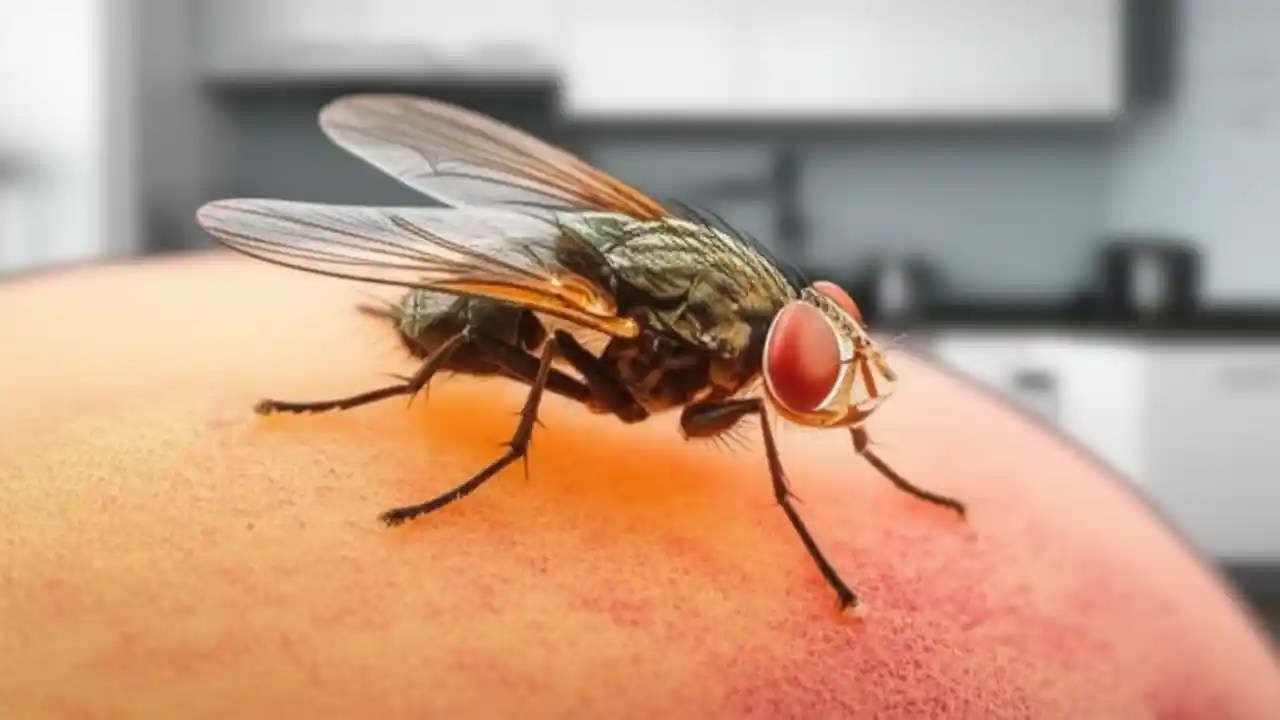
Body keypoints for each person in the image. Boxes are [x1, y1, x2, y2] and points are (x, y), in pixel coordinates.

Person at [2, 253, 1277, 718]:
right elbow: (558, 322)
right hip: (492, 310)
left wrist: (862, 446)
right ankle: (419, 421)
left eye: (825, 336)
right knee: (546, 357)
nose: (835, 371)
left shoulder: (758, 330)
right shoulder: (697, 344)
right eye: (818, 354)